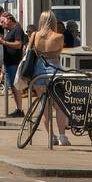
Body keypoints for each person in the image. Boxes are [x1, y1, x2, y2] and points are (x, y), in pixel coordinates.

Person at [27, 10, 70, 146]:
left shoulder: (34, 35)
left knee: (44, 106)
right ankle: (63, 137)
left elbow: (29, 51)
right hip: (54, 70)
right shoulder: (59, 36)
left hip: (38, 71)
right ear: (53, 21)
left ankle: (51, 136)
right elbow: (59, 52)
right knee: (59, 106)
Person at [0, 11, 26, 117]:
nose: (1, 24)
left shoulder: (17, 29)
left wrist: (3, 42)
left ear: (8, 19)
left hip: (14, 62)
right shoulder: (10, 31)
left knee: (15, 86)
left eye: (2, 21)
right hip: (9, 62)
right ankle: (18, 108)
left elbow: (18, 44)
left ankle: (20, 109)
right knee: (12, 87)